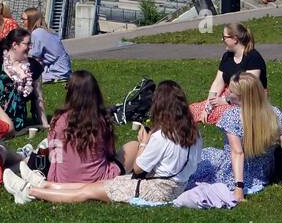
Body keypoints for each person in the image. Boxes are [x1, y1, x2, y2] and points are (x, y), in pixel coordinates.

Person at [19, 80, 204, 205]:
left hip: (156, 189)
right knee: (92, 187)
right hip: (178, 187)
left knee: (87, 193)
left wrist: (143, 144)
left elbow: (139, 169)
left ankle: (32, 192)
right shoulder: (195, 134)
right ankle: (45, 186)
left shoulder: (162, 136)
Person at [185, 75, 282, 199]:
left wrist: (239, 189)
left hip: (234, 173)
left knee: (196, 165)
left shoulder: (232, 117)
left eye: (231, 92)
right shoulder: (274, 114)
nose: (227, 95)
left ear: (243, 97)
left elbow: (237, 153)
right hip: (264, 173)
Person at [42, 70, 125, 183]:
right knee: (131, 147)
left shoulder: (59, 119)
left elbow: (53, 154)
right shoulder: (101, 120)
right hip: (97, 180)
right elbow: (110, 153)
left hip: (62, 180)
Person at [190, 22, 267, 126]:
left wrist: (226, 100)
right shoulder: (227, 57)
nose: (222, 40)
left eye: (224, 37)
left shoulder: (253, 58)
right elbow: (218, 83)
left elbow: (248, 89)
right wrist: (208, 106)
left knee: (224, 114)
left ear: (235, 39)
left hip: (248, 100)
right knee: (189, 111)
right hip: (229, 95)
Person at [0, 28, 47, 131]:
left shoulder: (33, 66)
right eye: (26, 44)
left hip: (19, 124)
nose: (30, 47)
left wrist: (44, 124)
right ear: (14, 45)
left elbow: (38, 97)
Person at [21, 7, 71, 82]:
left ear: (31, 20)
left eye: (23, 19)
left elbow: (34, 58)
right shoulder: (45, 31)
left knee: (25, 78)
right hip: (64, 68)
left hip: (58, 71)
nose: (21, 21)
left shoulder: (37, 33)